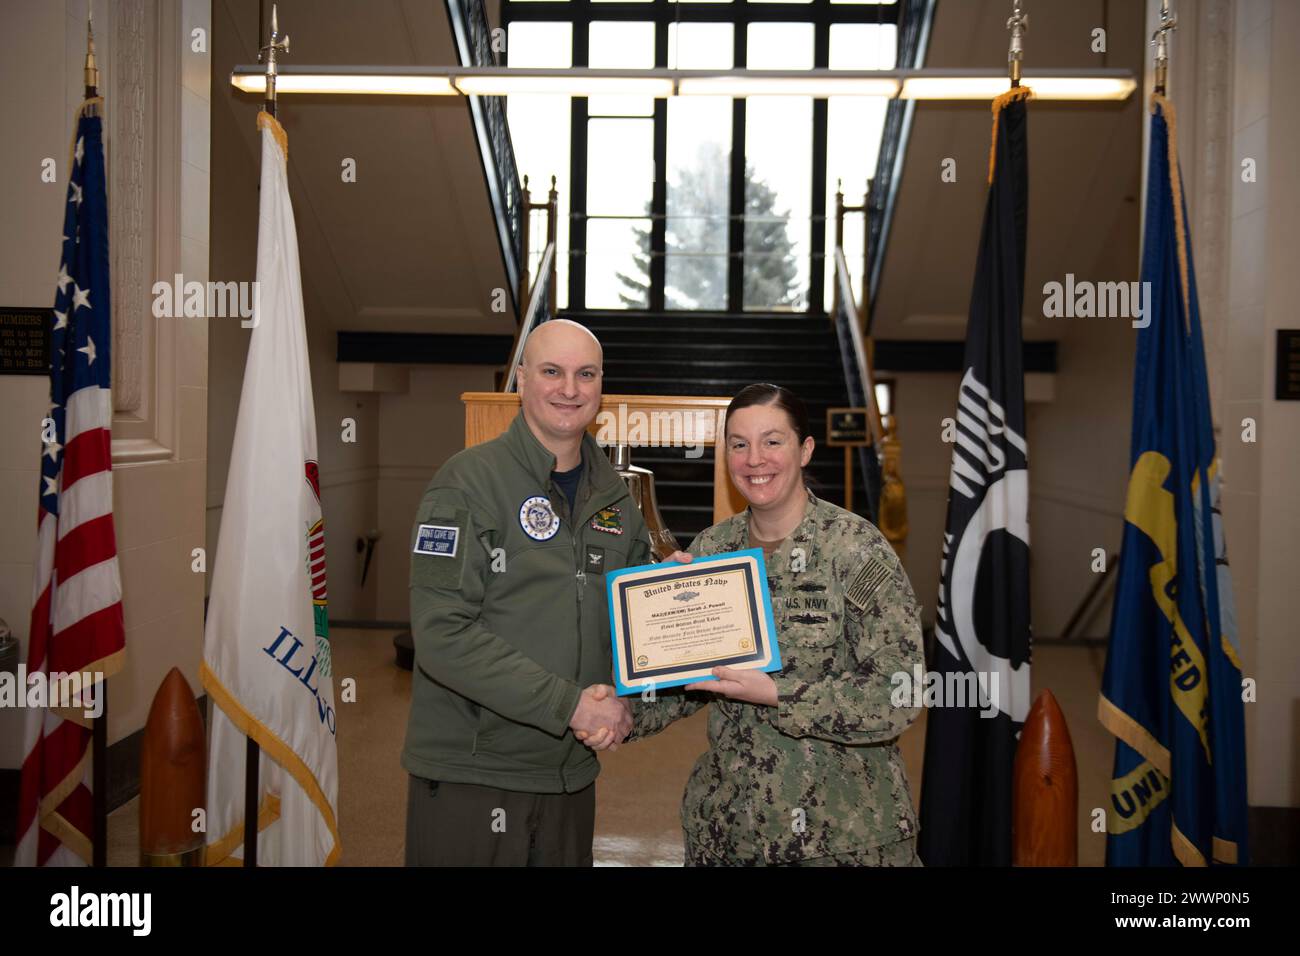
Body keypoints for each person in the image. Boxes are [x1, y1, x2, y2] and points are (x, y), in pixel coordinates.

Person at [580, 383, 924, 865]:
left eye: (772, 441)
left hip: (841, 836)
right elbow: (688, 684)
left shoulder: (855, 551)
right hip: (729, 832)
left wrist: (778, 694)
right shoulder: (713, 551)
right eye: (739, 444)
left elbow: (898, 693)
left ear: (804, 450)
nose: (754, 459)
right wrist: (621, 710)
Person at [402, 319, 649, 866]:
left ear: (601, 385)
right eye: (552, 372)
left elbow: (627, 622)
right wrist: (571, 707)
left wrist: (673, 595)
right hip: (475, 775)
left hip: (569, 777)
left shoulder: (615, 497)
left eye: (585, 374)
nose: (570, 389)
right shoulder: (466, 483)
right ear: (520, 380)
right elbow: (443, 634)